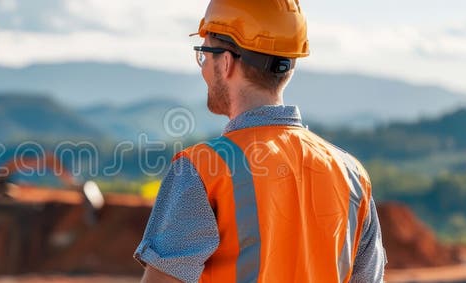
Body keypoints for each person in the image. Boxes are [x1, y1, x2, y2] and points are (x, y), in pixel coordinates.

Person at [135, 1, 387, 282]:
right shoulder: (352, 176)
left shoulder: (202, 170)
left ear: (226, 62)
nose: (203, 68)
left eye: (203, 55)